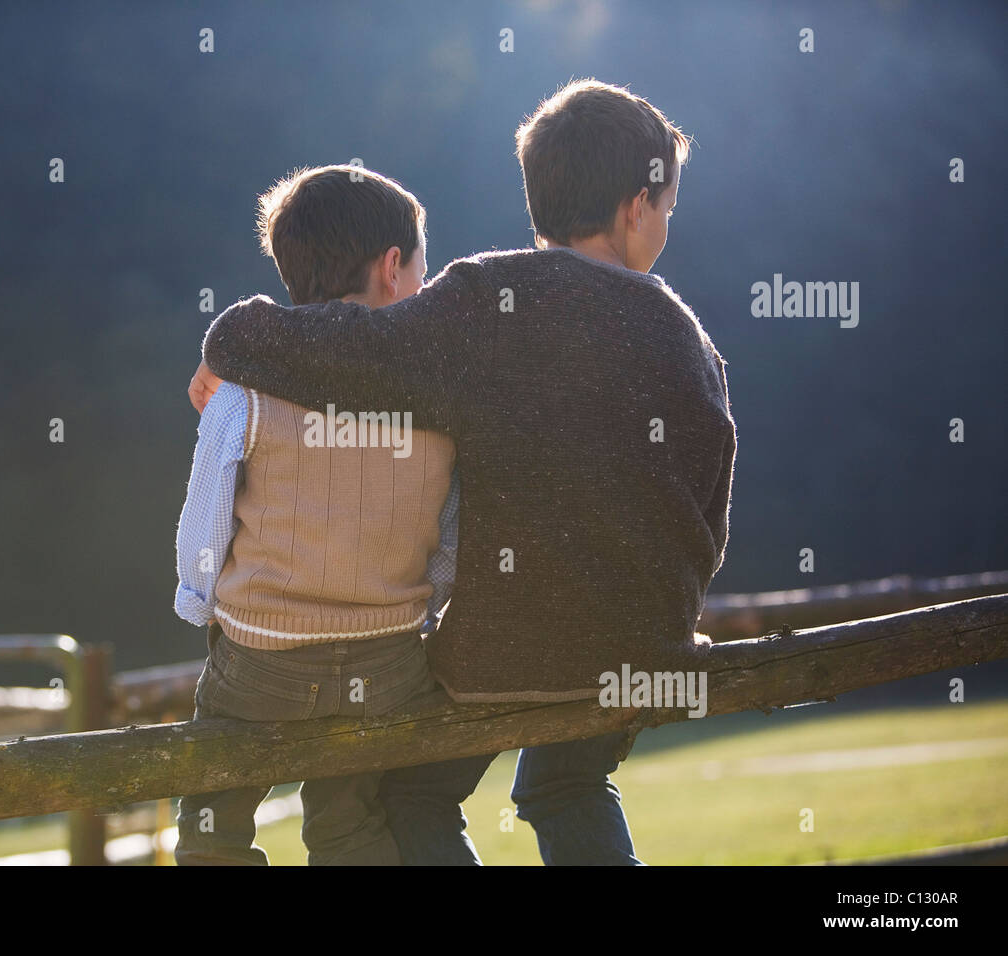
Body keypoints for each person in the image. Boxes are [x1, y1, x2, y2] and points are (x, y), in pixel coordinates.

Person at [191, 78, 736, 865]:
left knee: (408, 791)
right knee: (567, 787)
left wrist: (233, 335)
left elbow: (347, 352)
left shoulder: (489, 299)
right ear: (637, 206)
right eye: (669, 205)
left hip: (506, 651)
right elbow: (710, 513)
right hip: (645, 655)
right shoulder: (690, 341)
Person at [173, 164, 457, 865]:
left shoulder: (247, 388)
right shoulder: (443, 395)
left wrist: (198, 597)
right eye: (423, 268)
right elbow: (453, 535)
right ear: (392, 268)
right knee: (351, 828)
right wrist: (428, 606)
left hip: (262, 654)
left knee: (213, 829)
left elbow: (206, 509)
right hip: (388, 660)